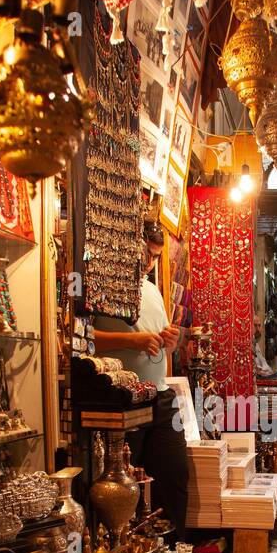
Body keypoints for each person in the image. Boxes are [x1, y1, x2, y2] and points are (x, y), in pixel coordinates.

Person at [93, 223, 189, 537]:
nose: (149, 262)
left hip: (160, 395)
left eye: (155, 256)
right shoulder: (102, 282)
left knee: (173, 474)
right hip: (120, 397)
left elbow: (159, 339)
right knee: (123, 485)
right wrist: (132, 341)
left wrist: (169, 340)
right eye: (146, 253)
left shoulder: (151, 289)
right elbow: (80, 338)